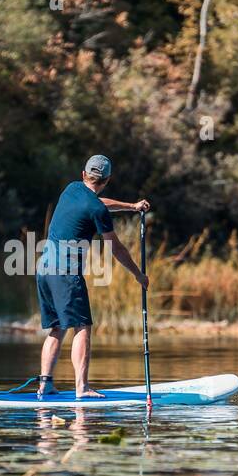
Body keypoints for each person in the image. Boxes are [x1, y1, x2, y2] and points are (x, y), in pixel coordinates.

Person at [36, 154, 150, 399]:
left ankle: (45, 384)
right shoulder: (95, 208)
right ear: (107, 180)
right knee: (82, 326)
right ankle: (82, 388)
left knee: (57, 327)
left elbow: (99, 203)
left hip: (43, 269)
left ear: (84, 174)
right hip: (65, 273)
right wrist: (138, 275)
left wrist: (131, 207)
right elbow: (115, 248)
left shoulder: (72, 189)